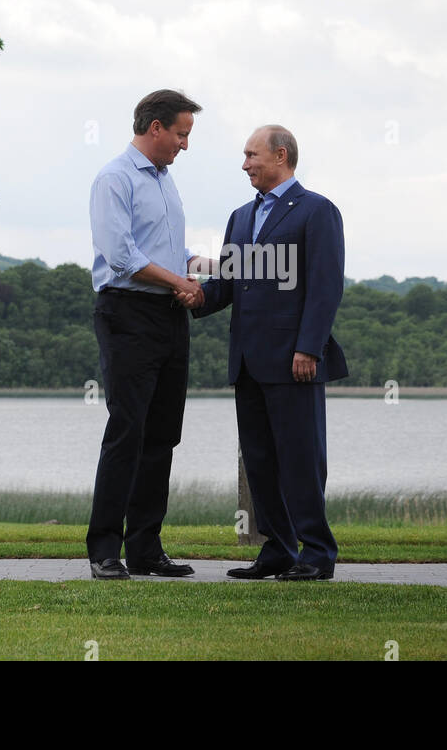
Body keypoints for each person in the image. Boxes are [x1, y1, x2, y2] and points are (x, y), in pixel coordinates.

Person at [182, 125, 348, 580]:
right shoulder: (240, 216)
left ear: (280, 155)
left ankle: (316, 554)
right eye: (243, 155)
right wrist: (198, 297)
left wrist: (308, 348)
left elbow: (325, 287)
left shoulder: (317, 211)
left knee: (301, 458)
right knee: (260, 461)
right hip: (248, 360)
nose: (244, 164)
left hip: (295, 360)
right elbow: (231, 283)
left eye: (251, 155)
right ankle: (278, 549)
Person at [86, 89, 209, 580]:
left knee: (163, 434)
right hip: (128, 312)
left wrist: (211, 271)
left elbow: (169, 253)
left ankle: (145, 549)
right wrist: (179, 281)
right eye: (181, 134)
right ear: (155, 127)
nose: (184, 144)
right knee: (127, 432)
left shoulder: (166, 182)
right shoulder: (114, 178)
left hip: (169, 317)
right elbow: (122, 257)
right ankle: (103, 550)